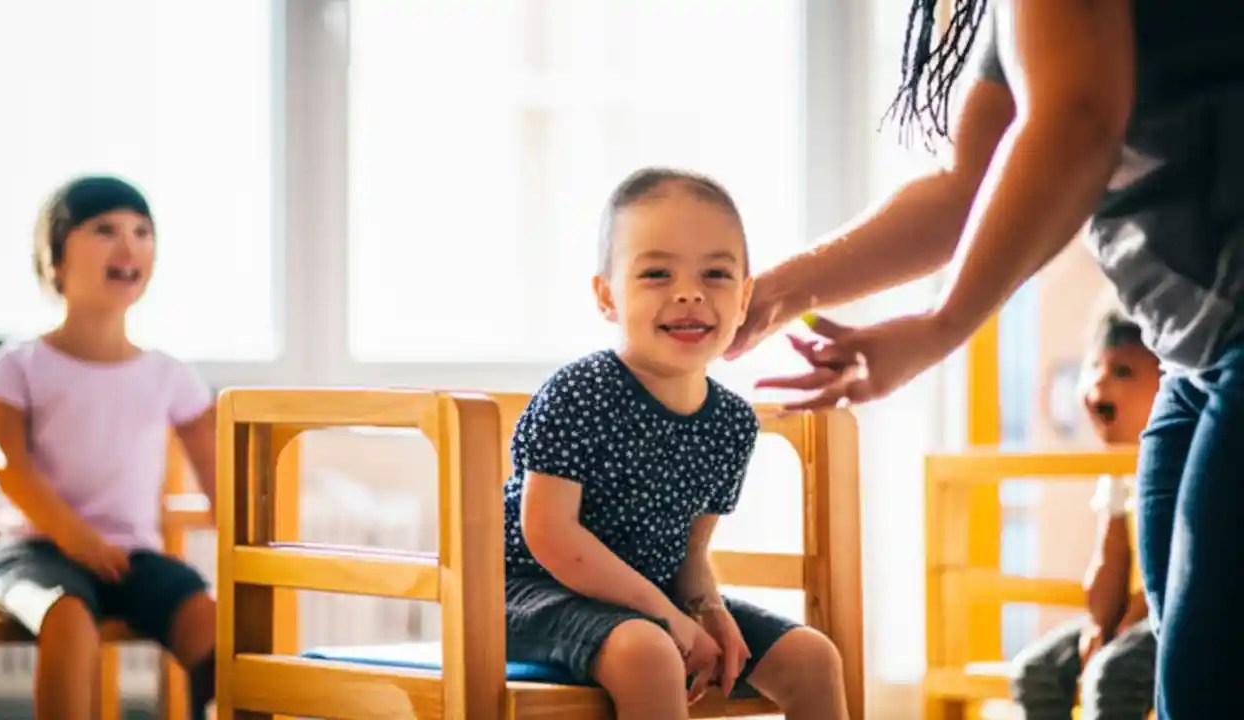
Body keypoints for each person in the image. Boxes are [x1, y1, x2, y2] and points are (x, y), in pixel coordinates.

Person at [726, 1, 1244, 715]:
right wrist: (774, 291)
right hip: (1195, 355)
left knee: (1206, 677)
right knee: (1189, 680)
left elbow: (1077, 121)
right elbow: (967, 186)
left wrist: (942, 325)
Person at [502, 167, 849, 720]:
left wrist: (705, 607)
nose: (689, 292)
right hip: (527, 595)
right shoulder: (579, 392)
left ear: (744, 298)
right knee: (649, 651)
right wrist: (665, 615)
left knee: (812, 657)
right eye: (657, 274)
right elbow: (546, 532)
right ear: (606, 295)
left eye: (715, 273)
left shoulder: (732, 422)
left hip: (649, 602)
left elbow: (690, 554)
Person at [0, 176, 218, 720]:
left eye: (142, 231)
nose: (129, 245)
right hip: (29, 550)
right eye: (104, 229)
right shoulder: (19, 364)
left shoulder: (169, 374)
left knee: (207, 619)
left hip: (131, 559)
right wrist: (76, 536)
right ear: (54, 258)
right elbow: (5, 463)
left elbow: (218, 472)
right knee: (66, 616)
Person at [1010, 310, 1158, 720]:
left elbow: (1178, 567)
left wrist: (1132, 620)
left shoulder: (1176, 458)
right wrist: (1099, 624)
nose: (1099, 383)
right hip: (1134, 616)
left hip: (1177, 617)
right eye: (1094, 366)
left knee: (1113, 674)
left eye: (1123, 371)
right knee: (1035, 673)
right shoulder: (1116, 468)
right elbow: (1112, 557)